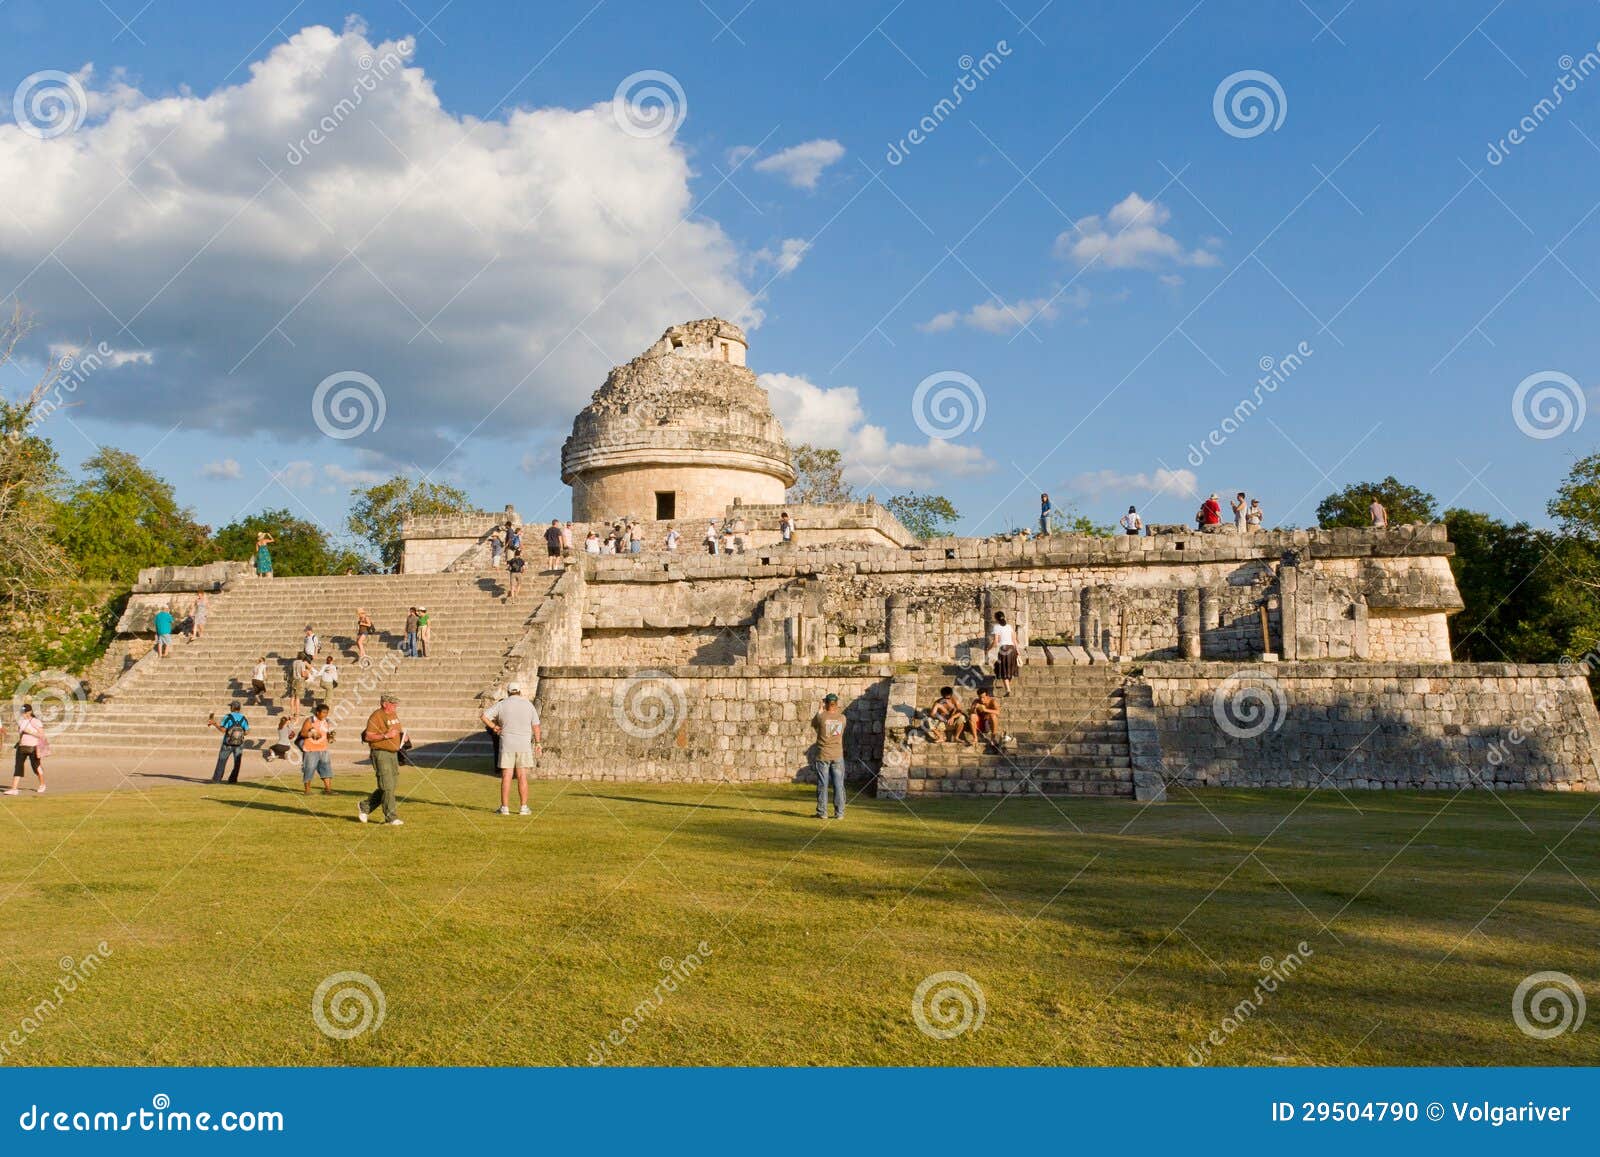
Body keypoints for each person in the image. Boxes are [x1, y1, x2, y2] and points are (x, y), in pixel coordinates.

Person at [481, 683, 542, 815]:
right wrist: (538, 743)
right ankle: (523, 807)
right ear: (519, 691)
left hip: (507, 744)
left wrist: (494, 727)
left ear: (508, 692)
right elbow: (536, 725)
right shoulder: (528, 705)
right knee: (522, 776)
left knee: (506, 776)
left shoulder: (502, 704)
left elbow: (484, 716)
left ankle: (505, 807)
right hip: (523, 745)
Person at [359, 693, 404, 825]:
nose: (395, 705)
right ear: (385, 704)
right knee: (387, 786)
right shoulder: (376, 716)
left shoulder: (393, 714)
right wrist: (386, 735)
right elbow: (368, 736)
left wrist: (403, 738)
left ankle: (365, 806)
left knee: (389, 786)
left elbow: (397, 731)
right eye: (393, 703)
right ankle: (391, 817)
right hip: (381, 753)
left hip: (393, 753)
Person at [811, 694, 847, 820]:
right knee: (839, 785)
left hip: (823, 755)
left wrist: (820, 709)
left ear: (826, 703)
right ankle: (839, 813)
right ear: (836, 704)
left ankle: (822, 812)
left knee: (823, 784)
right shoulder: (842, 718)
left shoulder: (821, 717)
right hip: (837, 755)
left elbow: (813, 724)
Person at [3, 704, 47, 795]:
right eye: (22, 712)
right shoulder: (21, 721)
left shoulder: (36, 721)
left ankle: (42, 784)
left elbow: (41, 735)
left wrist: (29, 731)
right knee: (18, 766)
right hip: (22, 747)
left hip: (33, 747)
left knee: (36, 766)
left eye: (25, 712)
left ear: (30, 712)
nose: (23, 714)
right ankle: (14, 788)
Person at [207, 702, 250, 784]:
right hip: (239, 744)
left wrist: (215, 724)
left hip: (227, 743)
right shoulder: (243, 718)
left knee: (222, 761)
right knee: (237, 762)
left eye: (231, 706)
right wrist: (239, 734)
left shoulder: (228, 716)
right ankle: (233, 780)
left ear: (233, 707)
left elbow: (223, 730)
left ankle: (216, 780)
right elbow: (247, 732)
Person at [298, 705, 335, 795]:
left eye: (327, 712)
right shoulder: (310, 720)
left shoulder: (327, 721)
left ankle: (328, 790)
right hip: (310, 749)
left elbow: (327, 733)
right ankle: (307, 791)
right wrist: (312, 734)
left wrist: (330, 737)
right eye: (324, 712)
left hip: (323, 749)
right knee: (309, 769)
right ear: (318, 712)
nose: (326, 715)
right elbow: (303, 733)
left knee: (326, 769)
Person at [990, 610, 1019, 696]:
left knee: (1003, 669)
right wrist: (1018, 652)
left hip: (1004, 650)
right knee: (1009, 669)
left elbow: (995, 641)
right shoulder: (1009, 627)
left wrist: (988, 649)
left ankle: (1008, 690)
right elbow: (1015, 640)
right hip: (1012, 649)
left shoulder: (996, 627)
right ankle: (1008, 687)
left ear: (996, 619)